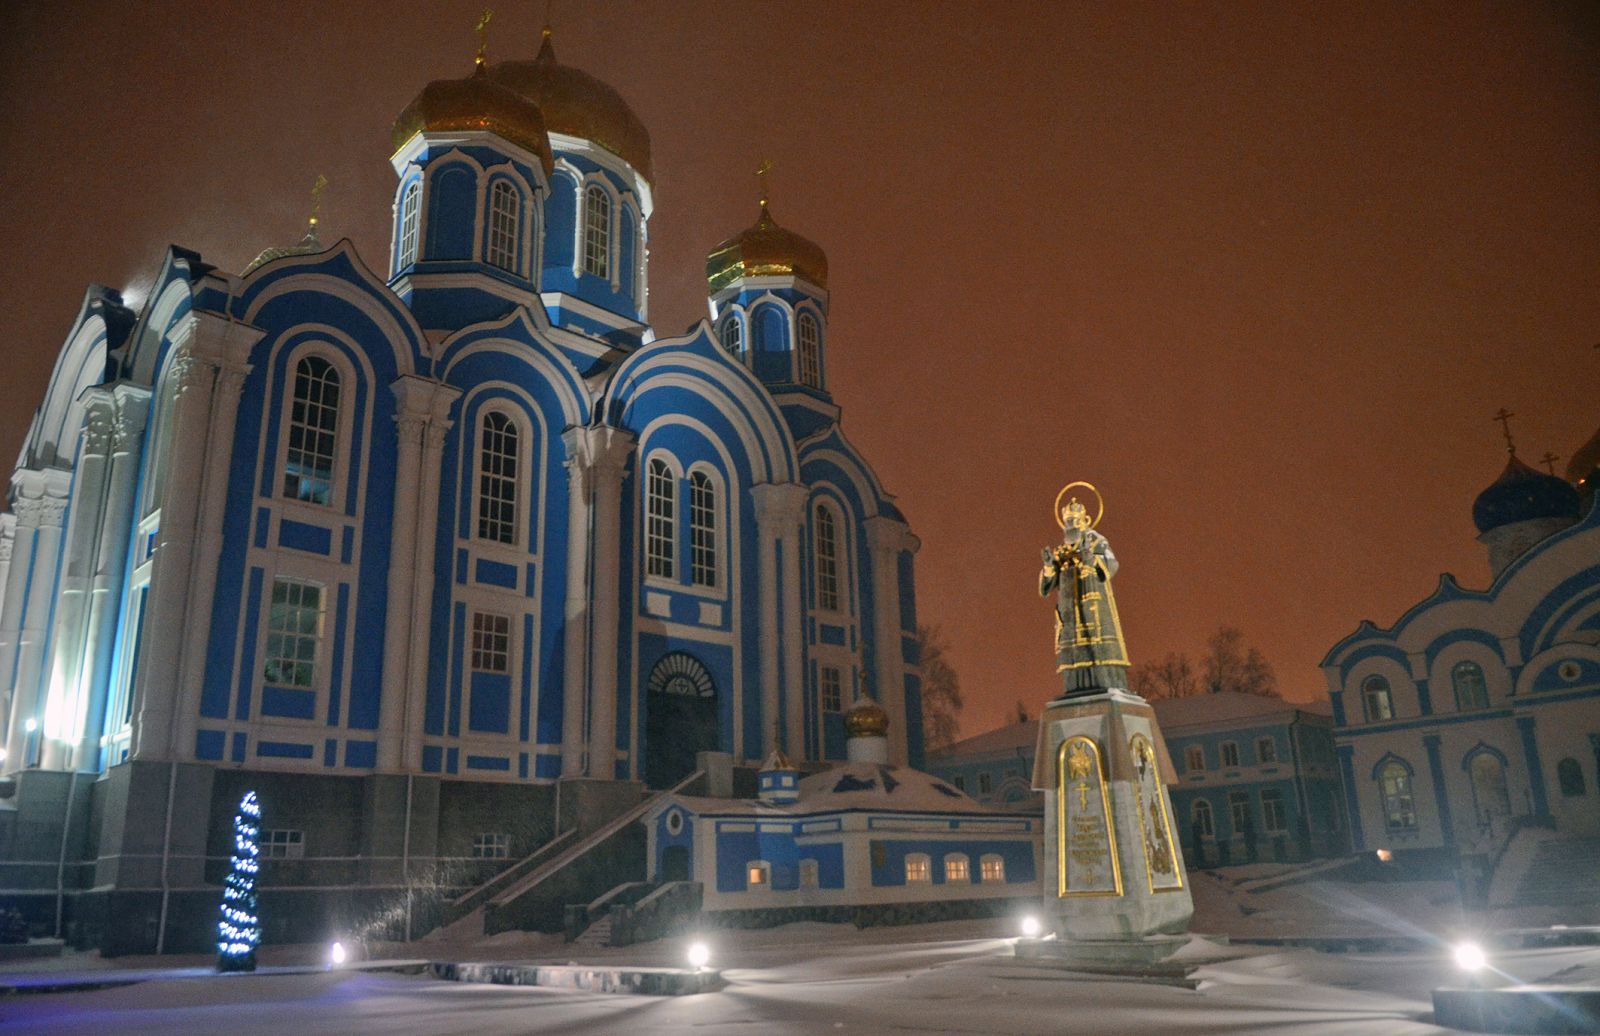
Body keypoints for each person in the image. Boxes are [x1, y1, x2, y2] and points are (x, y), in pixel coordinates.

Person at [1039, 497, 1130, 696]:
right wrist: (1047, 565)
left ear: (1086, 519)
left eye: (1075, 520)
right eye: (1068, 521)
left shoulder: (1097, 541)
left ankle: (1106, 681)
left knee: (1098, 648)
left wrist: (1090, 557)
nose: (1072, 525)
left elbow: (1111, 565)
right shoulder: (1061, 551)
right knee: (1073, 653)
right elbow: (1048, 585)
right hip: (1070, 611)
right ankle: (1075, 685)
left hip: (1093, 606)